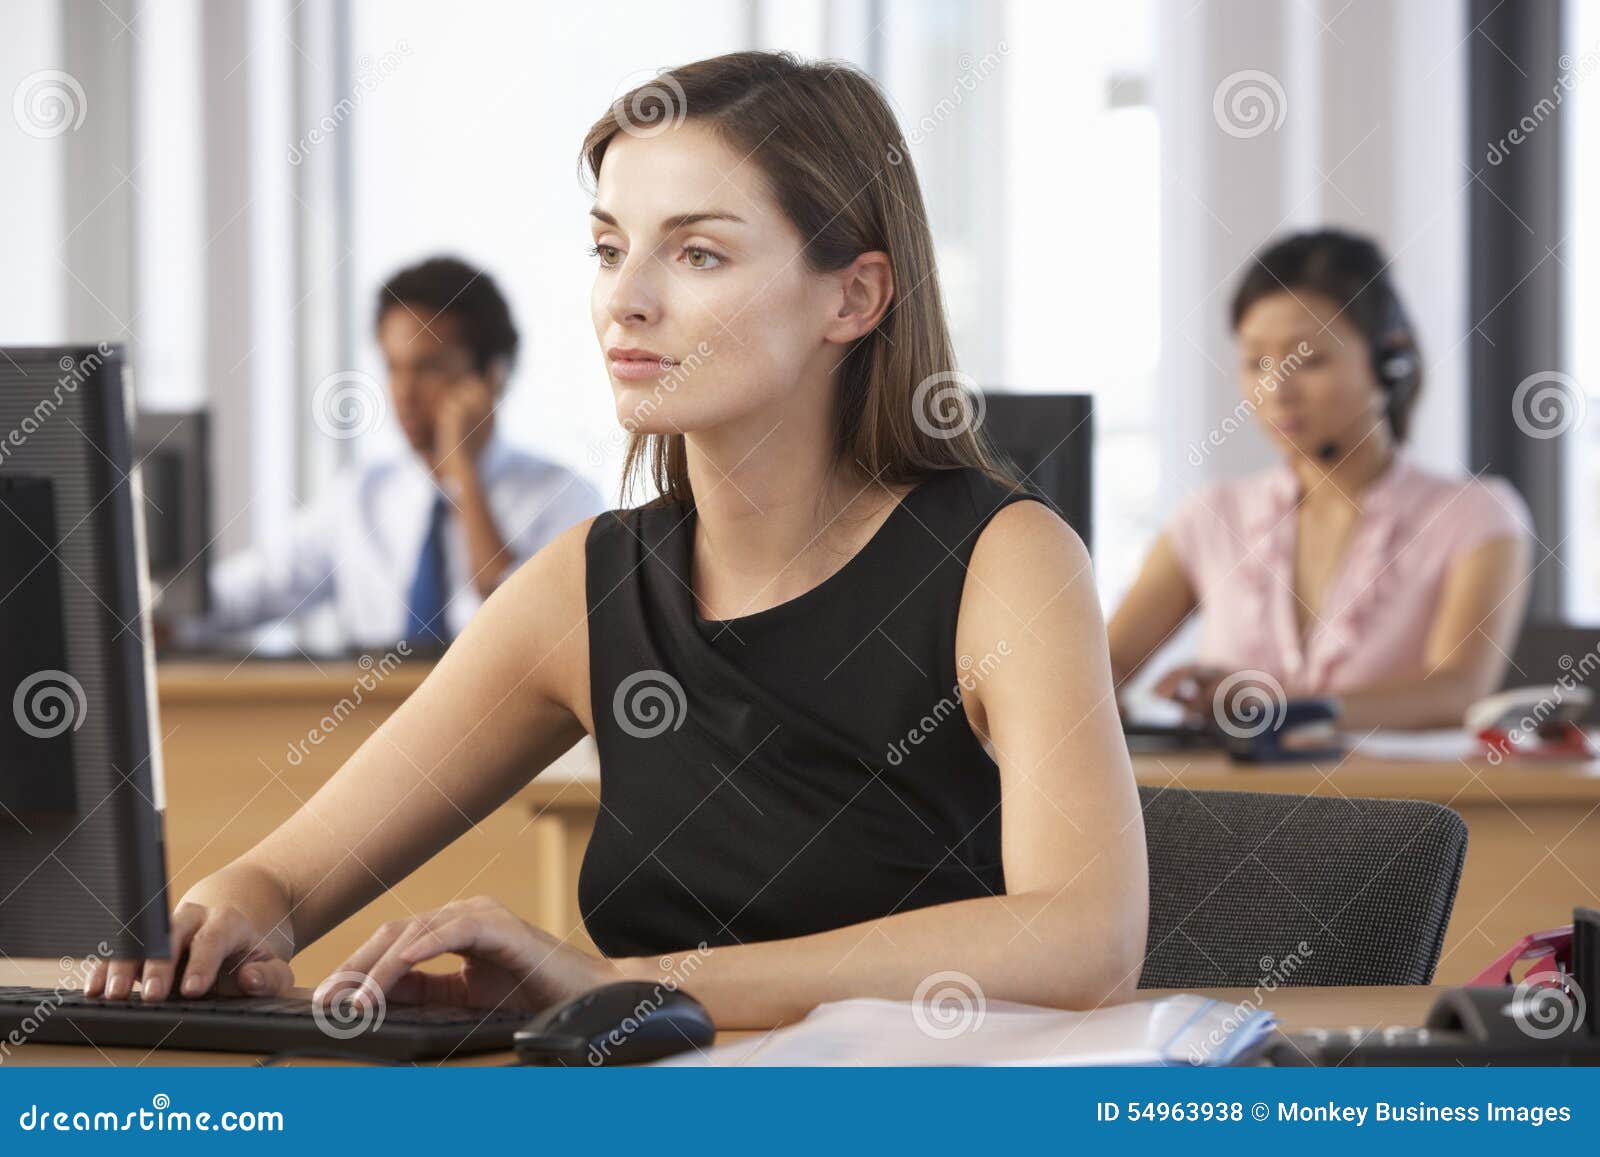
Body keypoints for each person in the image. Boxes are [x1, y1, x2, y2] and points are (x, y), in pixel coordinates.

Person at [92, 51, 1148, 1027]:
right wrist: (223, 912)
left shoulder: (1002, 559)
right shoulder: (589, 586)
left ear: (853, 294)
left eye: (695, 252)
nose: (624, 301)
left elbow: (1083, 938)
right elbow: (285, 879)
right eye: (609, 248)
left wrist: (627, 984)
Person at [1109, 228, 1533, 732]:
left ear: (1387, 363)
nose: (1276, 388)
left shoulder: (1476, 515)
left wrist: (1273, 712)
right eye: (1256, 362)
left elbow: (1456, 692)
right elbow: (1100, 669)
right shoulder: (1212, 516)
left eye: (1307, 359)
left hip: (1398, 809)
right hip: (1235, 810)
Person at [173, 256, 604, 651]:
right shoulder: (361, 495)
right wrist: (158, 614)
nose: (403, 393)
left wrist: (463, 477)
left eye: (428, 368)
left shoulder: (563, 497)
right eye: (393, 367)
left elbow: (528, 619)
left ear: (491, 378)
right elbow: (242, 594)